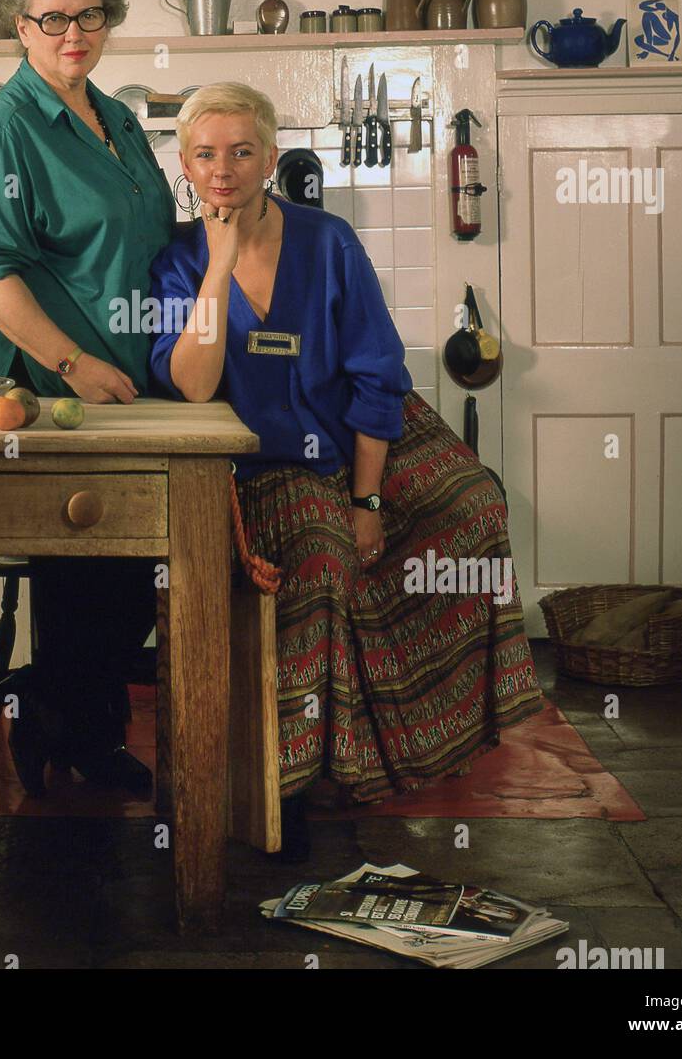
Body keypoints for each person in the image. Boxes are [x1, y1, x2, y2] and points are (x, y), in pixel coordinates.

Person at [147, 82, 544, 859]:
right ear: (185, 165)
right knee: (321, 560)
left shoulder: (327, 242)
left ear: (269, 157)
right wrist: (218, 269)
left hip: (358, 431)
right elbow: (191, 383)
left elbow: (376, 372)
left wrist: (368, 497)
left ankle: (428, 730)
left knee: (474, 506)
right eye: (204, 154)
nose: (222, 170)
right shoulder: (176, 262)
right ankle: (301, 778)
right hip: (259, 464)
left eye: (241, 152)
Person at [0, 0, 175, 799]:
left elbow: (147, 236)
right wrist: (72, 361)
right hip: (49, 386)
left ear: (109, 19)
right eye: (52, 18)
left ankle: (65, 717)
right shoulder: (8, 127)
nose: (72, 32)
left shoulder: (112, 115)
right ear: (22, 26)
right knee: (88, 564)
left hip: (126, 374)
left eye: (89, 15)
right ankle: (68, 721)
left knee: (125, 569)